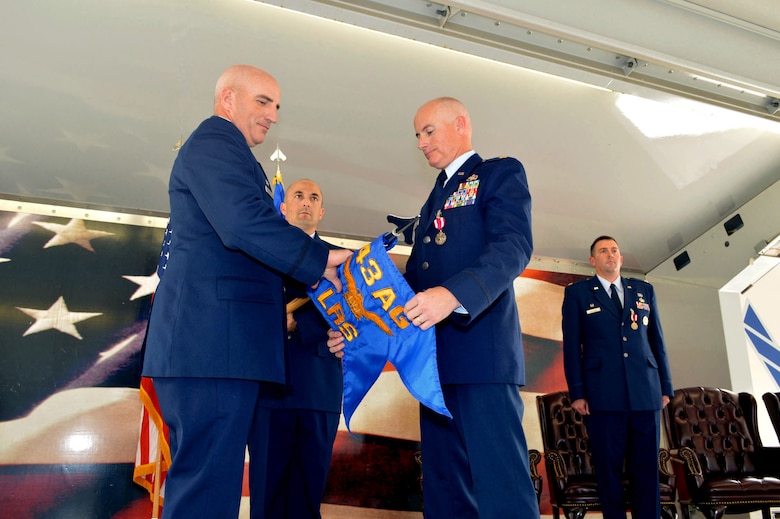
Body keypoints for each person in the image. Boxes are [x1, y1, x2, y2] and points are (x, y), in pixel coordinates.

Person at [141, 65, 351, 518]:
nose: (272, 114)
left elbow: (247, 245)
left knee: (209, 486)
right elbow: (242, 225)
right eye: (262, 101)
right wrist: (321, 262)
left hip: (217, 350)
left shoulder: (232, 155)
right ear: (228, 100)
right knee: (207, 490)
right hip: (212, 347)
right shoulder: (216, 143)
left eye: (277, 106)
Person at [401, 97, 538, 518]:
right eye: (417, 136)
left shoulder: (498, 173)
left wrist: (454, 294)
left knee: (501, 484)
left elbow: (513, 247)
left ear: (460, 124)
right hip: (435, 367)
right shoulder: (433, 199)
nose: (422, 143)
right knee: (444, 487)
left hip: (483, 356)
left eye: (429, 131)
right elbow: (417, 279)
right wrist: (361, 318)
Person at [561, 235, 673, 519]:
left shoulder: (643, 290)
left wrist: (666, 387)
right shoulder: (578, 294)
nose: (610, 255)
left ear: (621, 258)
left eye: (614, 251)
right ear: (593, 260)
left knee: (647, 468)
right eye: (603, 251)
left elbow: (657, 341)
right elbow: (572, 347)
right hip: (603, 396)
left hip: (646, 393)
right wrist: (578, 392)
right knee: (609, 471)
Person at [261, 179, 343, 518]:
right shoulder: (259, 253)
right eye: (298, 195)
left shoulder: (341, 263)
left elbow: (354, 314)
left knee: (307, 496)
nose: (305, 202)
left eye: (313, 197)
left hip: (318, 388)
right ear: (284, 207)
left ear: (321, 212)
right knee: (267, 495)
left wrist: (300, 323)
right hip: (268, 389)